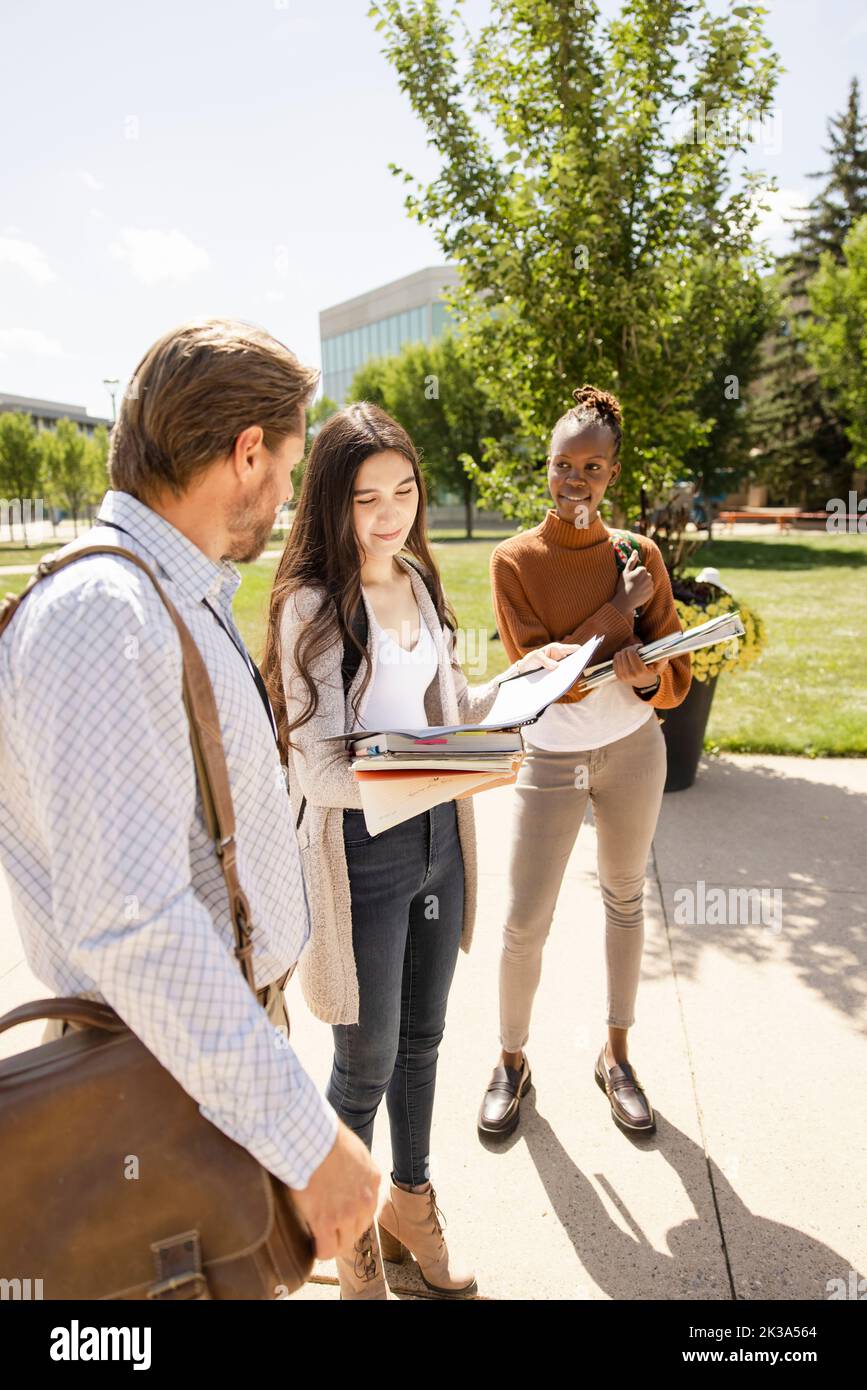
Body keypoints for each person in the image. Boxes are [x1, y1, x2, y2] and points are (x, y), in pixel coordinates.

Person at [0, 318, 379, 1275]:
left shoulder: (169, 593)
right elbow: (130, 924)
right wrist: (307, 1137)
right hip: (156, 1074)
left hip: (198, 1057)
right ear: (246, 452)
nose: (292, 495)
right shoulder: (104, 614)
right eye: (290, 465)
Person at [261, 402, 576, 1299]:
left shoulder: (421, 583)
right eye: (368, 498)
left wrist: (527, 681)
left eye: (404, 492)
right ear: (331, 503)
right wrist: (410, 771)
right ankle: (338, 1230)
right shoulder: (313, 607)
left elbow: (453, 711)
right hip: (363, 852)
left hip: (440, 840)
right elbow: (316, 769)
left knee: (425, 1041)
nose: (390, 513)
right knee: (362, 1063)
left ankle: (410, 1203)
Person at [478, 384, 692, 1141]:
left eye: (592, 467)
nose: (575, 480)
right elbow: (543, 681)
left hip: (633, 749)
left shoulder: (640, 555)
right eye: (562, 465)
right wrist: (613, 615)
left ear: (611, 474)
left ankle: (617, 1056)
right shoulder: (514, 562)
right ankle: (510, 1062)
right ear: (547, 467)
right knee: (523, 922)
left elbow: (674, 674)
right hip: (552, 760)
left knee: (625, 899)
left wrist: (647, 677)